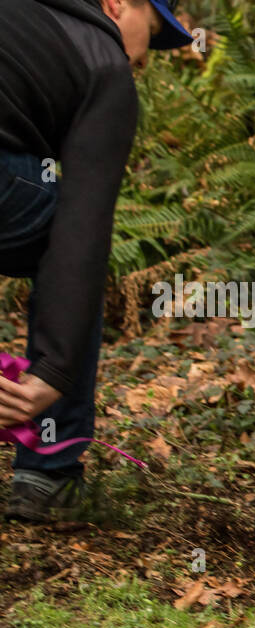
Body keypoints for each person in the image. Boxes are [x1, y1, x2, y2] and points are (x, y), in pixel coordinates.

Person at [0, 0, 191, 521]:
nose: (142, 61)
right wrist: (52, 371)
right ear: (115, 4)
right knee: (67, 250)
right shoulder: (105, 65)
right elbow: (82, 235)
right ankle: (49, 470)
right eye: (149, 33)